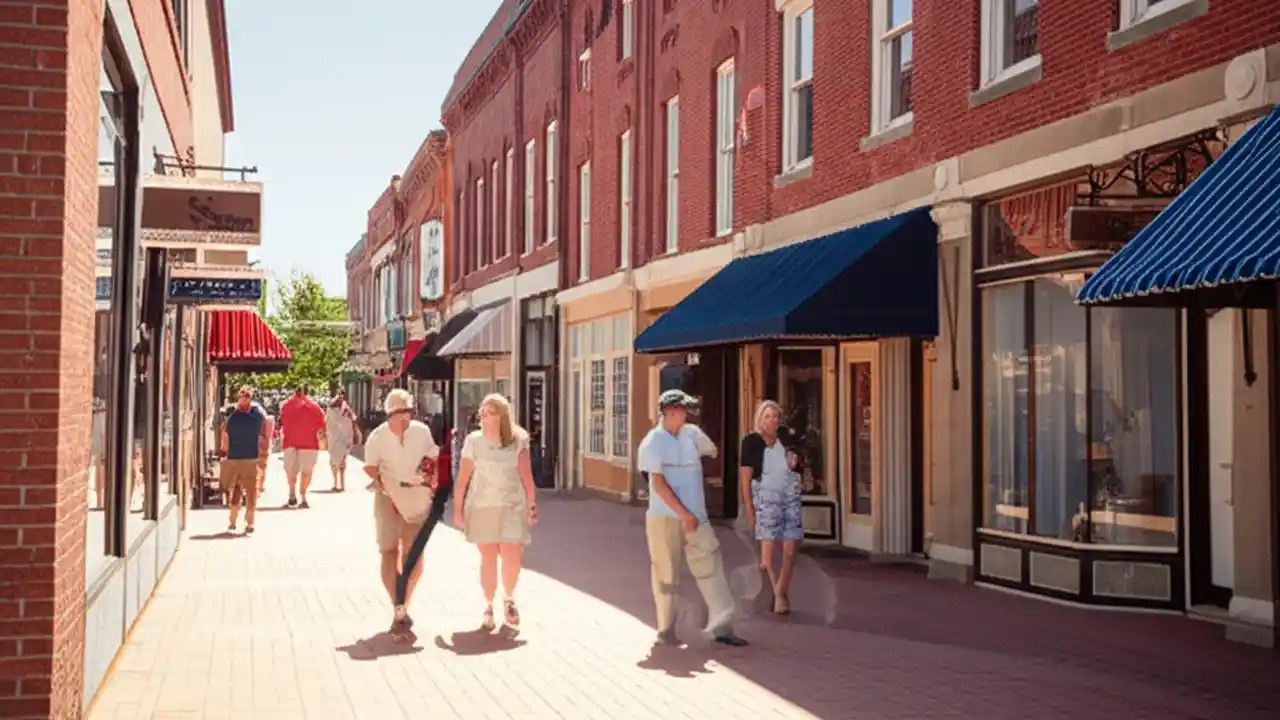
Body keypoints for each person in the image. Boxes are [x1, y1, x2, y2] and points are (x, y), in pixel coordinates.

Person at [637, 389, 748, 647]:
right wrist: (683, 513)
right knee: (666, 573)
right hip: (665, 517)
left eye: (685, 411)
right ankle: (666, 628)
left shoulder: (692, 434)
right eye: (680, 411)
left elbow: (713, 451)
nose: (684, 415)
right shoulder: (653, 442)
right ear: (669, 412)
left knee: (711, 566)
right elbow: (658, 483)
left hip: (697, 516)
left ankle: (723, 625)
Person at [452, 394, 538, 633]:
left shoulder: (518, 439)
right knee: (488, 557)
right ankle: (488, 605)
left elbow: (526, 476)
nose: (483, 417)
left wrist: (532, 505)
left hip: (512, 505)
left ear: (501, 416)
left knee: (512, 558)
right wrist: (458, 512)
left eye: (489, 413)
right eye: (482, 413)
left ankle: (509, 598)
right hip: (482, 506)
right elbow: (462, 480)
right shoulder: (473, 441)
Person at [363, 389, 441, 641]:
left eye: (408, 411)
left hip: (416, 495)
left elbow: (432, 456)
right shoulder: (377, 437)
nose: (404, 417)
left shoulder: (421, 431)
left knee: (413, 553)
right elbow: (369, 465)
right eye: (398, 412)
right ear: (388, 414)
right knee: (388, 551)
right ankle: (397, 605)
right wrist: (381, 482)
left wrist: (430, 476)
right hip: (388, 496)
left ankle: (403, 604)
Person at [739, 400, 803, 615]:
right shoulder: (751, 441)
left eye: (775, 416)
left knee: (790, 548)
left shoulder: (785, 438)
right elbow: (745, 478)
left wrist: (796, 461)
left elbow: (798, 465)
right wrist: (749, 508)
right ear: (760, 418)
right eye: (767, 416)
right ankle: (775, 593)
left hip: (789, 496)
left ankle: (781, 589)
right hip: (765, 497)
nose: (772, 420)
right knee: (767, 554)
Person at [220, 386, 271, 534]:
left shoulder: (236, 416)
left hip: (244, 457)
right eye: (242, 397)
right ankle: (239, 520)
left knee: (247, 491)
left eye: (245, 397)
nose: (243, 400)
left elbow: (224, 436)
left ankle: (242, 520)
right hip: (241, 457)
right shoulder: (252, 416)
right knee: (241, 491)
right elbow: (264, 432)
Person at [279, 386, 325, 508]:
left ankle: (296, 495)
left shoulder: (288, 405)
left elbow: (283, 420)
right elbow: (321, 421)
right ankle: (298, 496)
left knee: (296, 472)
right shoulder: (313, 407)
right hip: (305, 443)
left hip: (296, 442)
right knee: (300, 472)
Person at [325, 394, 361, 492]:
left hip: (334, 440)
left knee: (333, 462)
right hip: (346, 439)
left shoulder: (330, 411)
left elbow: (327, 424)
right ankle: (342, 484)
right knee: (342, 462)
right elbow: (354, 419)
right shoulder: (346, 411)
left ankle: (335, 483)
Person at [256, 410, 275, 495]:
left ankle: (258, 487)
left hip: (252, 445)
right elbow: (269, 435)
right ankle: (260, 486)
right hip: (264, 445)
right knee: (262, 467)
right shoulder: (266, 419)